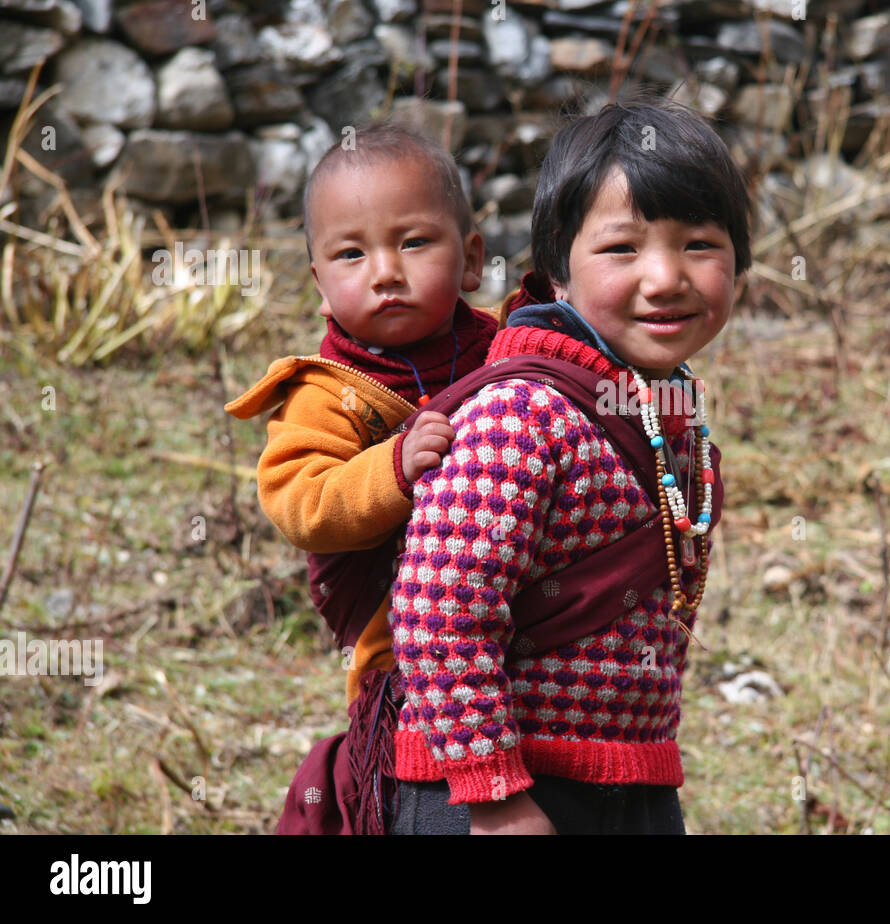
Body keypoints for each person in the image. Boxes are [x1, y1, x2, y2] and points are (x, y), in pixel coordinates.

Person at [386, 97, 752, 834]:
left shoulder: (670, 417)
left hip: (631, 781)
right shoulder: (521, 417)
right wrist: (495, 795)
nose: (665, 277)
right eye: (622, 249)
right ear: (556, 274)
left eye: (700, 244)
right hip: (494, 795)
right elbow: (439, 615)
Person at [224, 123, 498, 832]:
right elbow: (300, 503)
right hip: (401, 650)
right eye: (352, 253)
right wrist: (391, 470)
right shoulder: (328, 394)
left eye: (413, 243)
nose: (385, 271)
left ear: (471, 260)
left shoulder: (504, 354)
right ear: (319, 283)